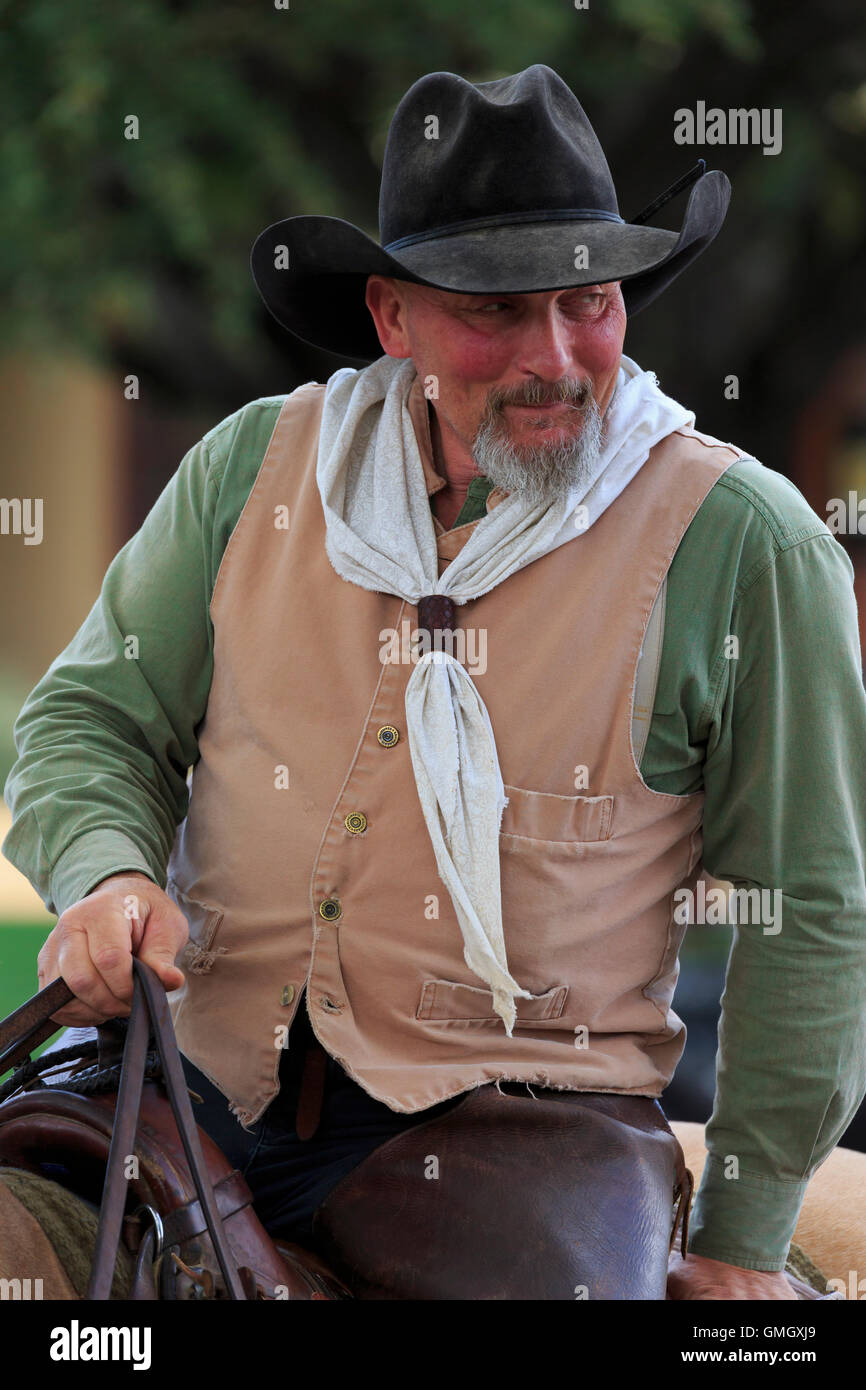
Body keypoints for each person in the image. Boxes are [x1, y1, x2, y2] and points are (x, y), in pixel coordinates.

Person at [3, 64, 866, 1300]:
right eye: (498, 310)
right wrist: (108, 872)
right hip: (189, 1081)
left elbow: (811, 903)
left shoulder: (746, 543)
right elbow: (91, 720)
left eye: (588, 302)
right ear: (391, 315)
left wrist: (738, 1240)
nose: (555, 357)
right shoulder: (251, 466)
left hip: (524, 1131)